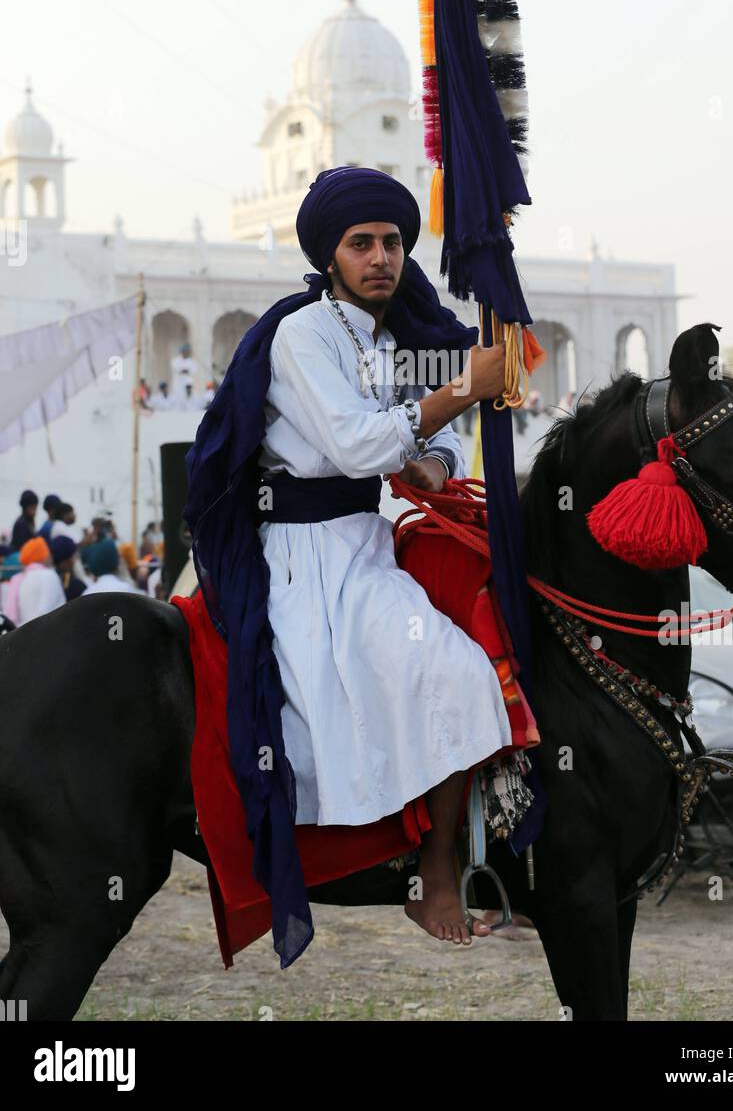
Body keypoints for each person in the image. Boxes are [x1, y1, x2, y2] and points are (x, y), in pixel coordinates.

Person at [185, 166, 527, 964]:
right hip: (301, 562)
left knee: (465, 669)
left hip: (364, 543)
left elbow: (429, 445)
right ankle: (433, 875)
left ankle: (443, 860)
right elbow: (356, 443)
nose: (381, 257)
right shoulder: (304, 332)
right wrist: (459, 392)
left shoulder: (404, 334)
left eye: (393, 242)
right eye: (361, 243)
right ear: (329, 254)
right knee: (449, 672)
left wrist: (437, 459)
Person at [12, 536, 66, 624]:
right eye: (47, 552)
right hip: (47, 631)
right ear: (42, 556)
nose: (50, 556)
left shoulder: (20, 578)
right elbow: (46, 610)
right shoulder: (49, 575)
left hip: (24, 633)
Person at [51, 535, 87, 602]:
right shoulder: (76, 586)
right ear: (65, 562)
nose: (75, 559)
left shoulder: (51, 581)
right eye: (73, 556)